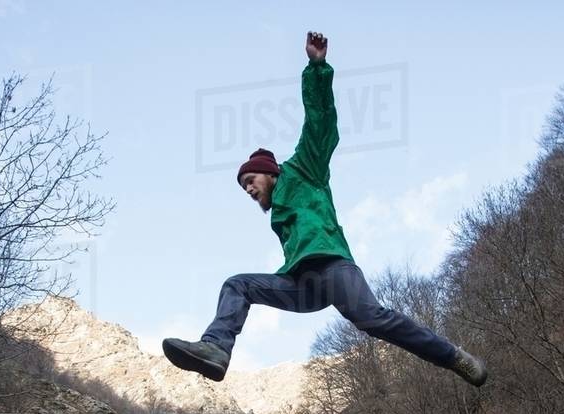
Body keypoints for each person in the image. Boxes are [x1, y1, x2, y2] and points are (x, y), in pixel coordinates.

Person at [162, 31, 488, 387]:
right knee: (237, 285)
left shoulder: (305, 170)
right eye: (244, 187)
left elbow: (319, 120)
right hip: (301, 283)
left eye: (250, 180)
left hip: (334, 267)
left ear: (271, 174)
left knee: (372, 318)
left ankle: (452, 356)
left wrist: (317, 68)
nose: (249, 190)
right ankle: (216, 350)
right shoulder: (277, 212)